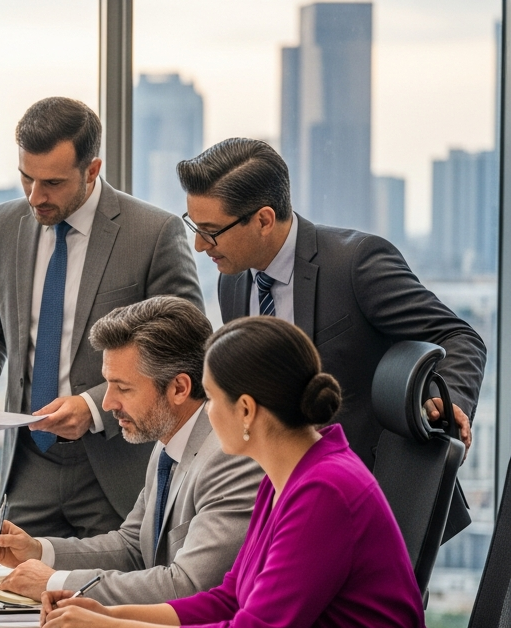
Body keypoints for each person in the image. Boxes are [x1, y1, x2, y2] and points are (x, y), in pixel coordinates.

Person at [39, 316, 464, 628]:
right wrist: (107, 614)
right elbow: (228, 600)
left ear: (245, 410)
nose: (205, 414)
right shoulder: (287, 477)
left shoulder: (326, 490)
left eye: (212, 399)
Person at [180, 137, 485, 540]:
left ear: (264, 220)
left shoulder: (356, 263)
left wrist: (448, 404)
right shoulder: (232, 281)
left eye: (211, 231)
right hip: (284, 504)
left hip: (376, 504)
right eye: (194, 227)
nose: (200, 246)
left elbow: (458, 336)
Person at [0, 97, 203, 539]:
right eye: (26, 177)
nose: (34, 196)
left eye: (52, 183)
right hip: (30, 463)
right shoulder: (3, 224)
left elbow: (188, 347)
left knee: (115, 595)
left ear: (92, 170)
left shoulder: (153, 233)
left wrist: (91, 406)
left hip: (117, 464)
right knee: (17, 596)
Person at [0, 296, 262, 605]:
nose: (107, 403)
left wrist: (54, 582)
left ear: (179, 388)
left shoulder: (230, 458)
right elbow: (132, 547)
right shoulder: (170, 443)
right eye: (108, 385)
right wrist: (39, 551)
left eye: (123, 388)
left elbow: (188, 585)